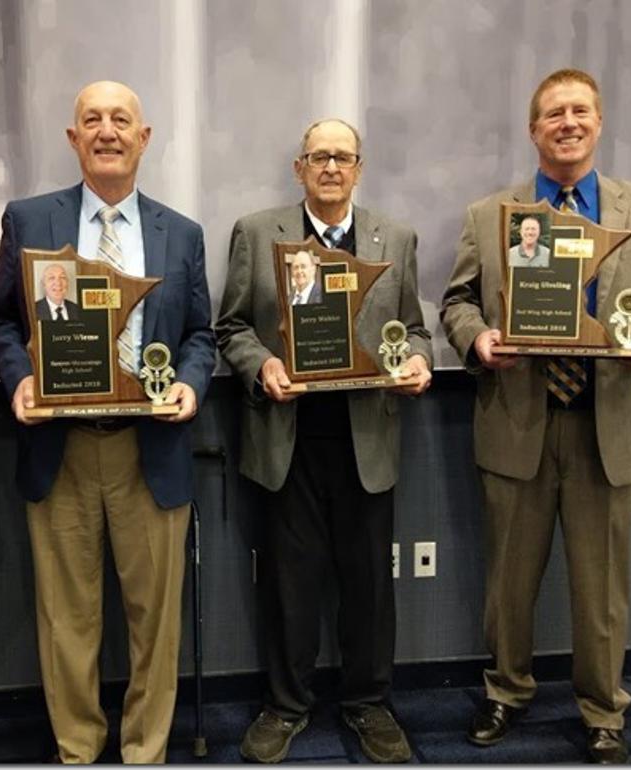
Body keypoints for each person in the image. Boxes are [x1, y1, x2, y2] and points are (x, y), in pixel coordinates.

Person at [440, 68, 631, 764]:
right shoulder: (489, 216)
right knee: (508, 581)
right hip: (517, 416)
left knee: (602, 583)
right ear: (533, 129)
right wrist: (477, 339)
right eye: (553, 113)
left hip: (605, 421)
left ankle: (604, 708)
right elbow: (457, 302)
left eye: (580, 111)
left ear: (600, 123)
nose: (567, 123)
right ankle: (506, 690)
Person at [0, 80, 215, 764]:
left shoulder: (184, 233)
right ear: (72, 138)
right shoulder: (28, 221)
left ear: (144, 138)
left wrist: (193, 387)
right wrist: (19, 377)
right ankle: (78, 749)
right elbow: (0, 318)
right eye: (93, 119)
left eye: (122, 119)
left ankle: (147, 750)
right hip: (62, 447)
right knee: (67, 619)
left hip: (155, 446)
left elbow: (201, 333)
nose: (107, 130)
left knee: (156, 623)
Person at [216, 118, 432, 764]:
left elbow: (415, 331)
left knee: (370, 583)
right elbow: (230, 327)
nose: (332, 167)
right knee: (288, 581)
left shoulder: (395, 238)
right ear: (299, 167)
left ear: (359, 168)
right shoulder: (257, 234)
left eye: (343, 157)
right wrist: (263, 367)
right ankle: (286, 705)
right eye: (319, 156)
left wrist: (417, 362)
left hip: (366, 435)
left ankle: (368, 703)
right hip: (288, 436)